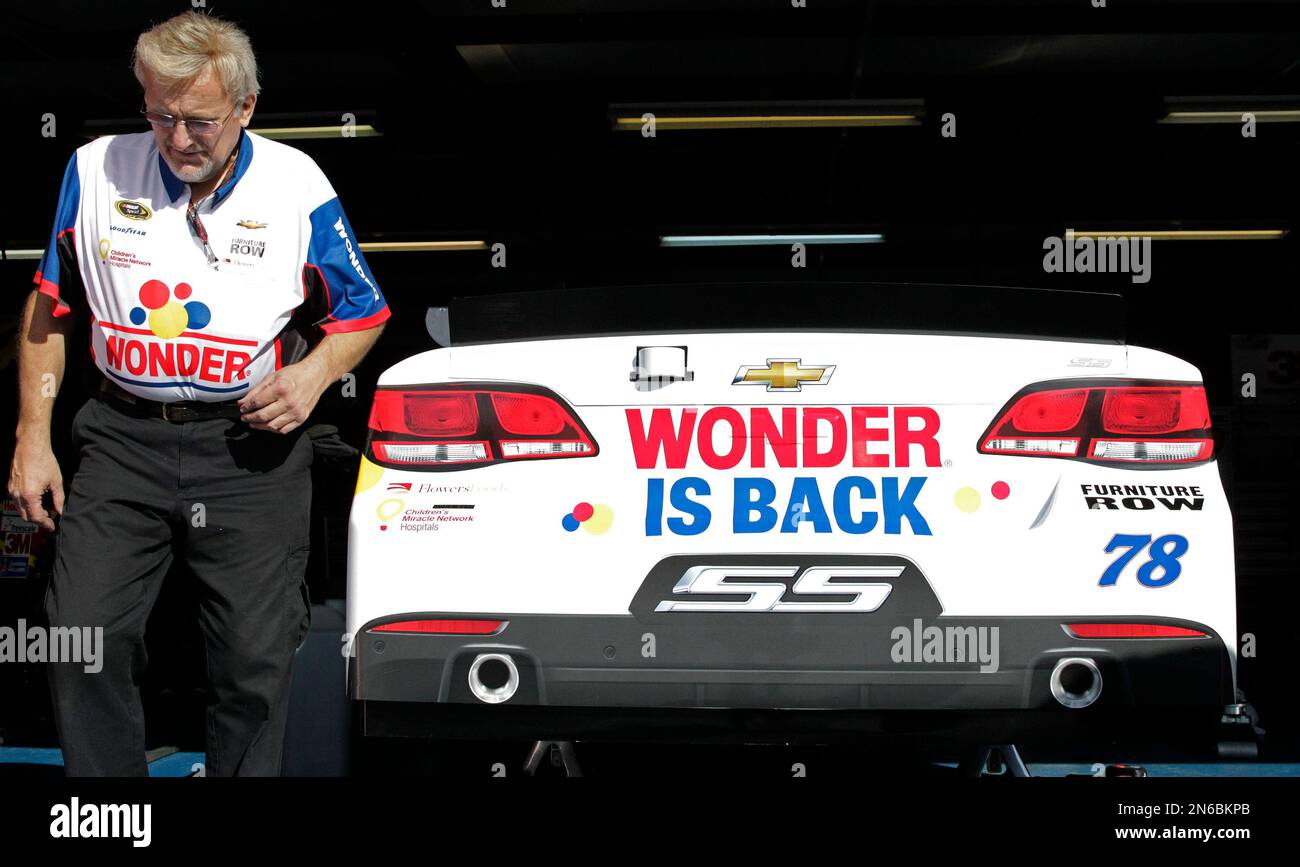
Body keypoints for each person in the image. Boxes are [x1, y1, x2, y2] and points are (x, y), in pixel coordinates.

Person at [7, 10, 390, 776]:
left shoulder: (297, 184)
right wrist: (32, 435)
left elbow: (366, 311)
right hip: (120, 437)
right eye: (161, 116)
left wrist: (312, 375)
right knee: (81, 636)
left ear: (246, 107)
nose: (179, 139)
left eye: (200, 121)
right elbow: (50, 305)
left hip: (247, 448)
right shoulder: (92, 169)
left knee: (254, 658)